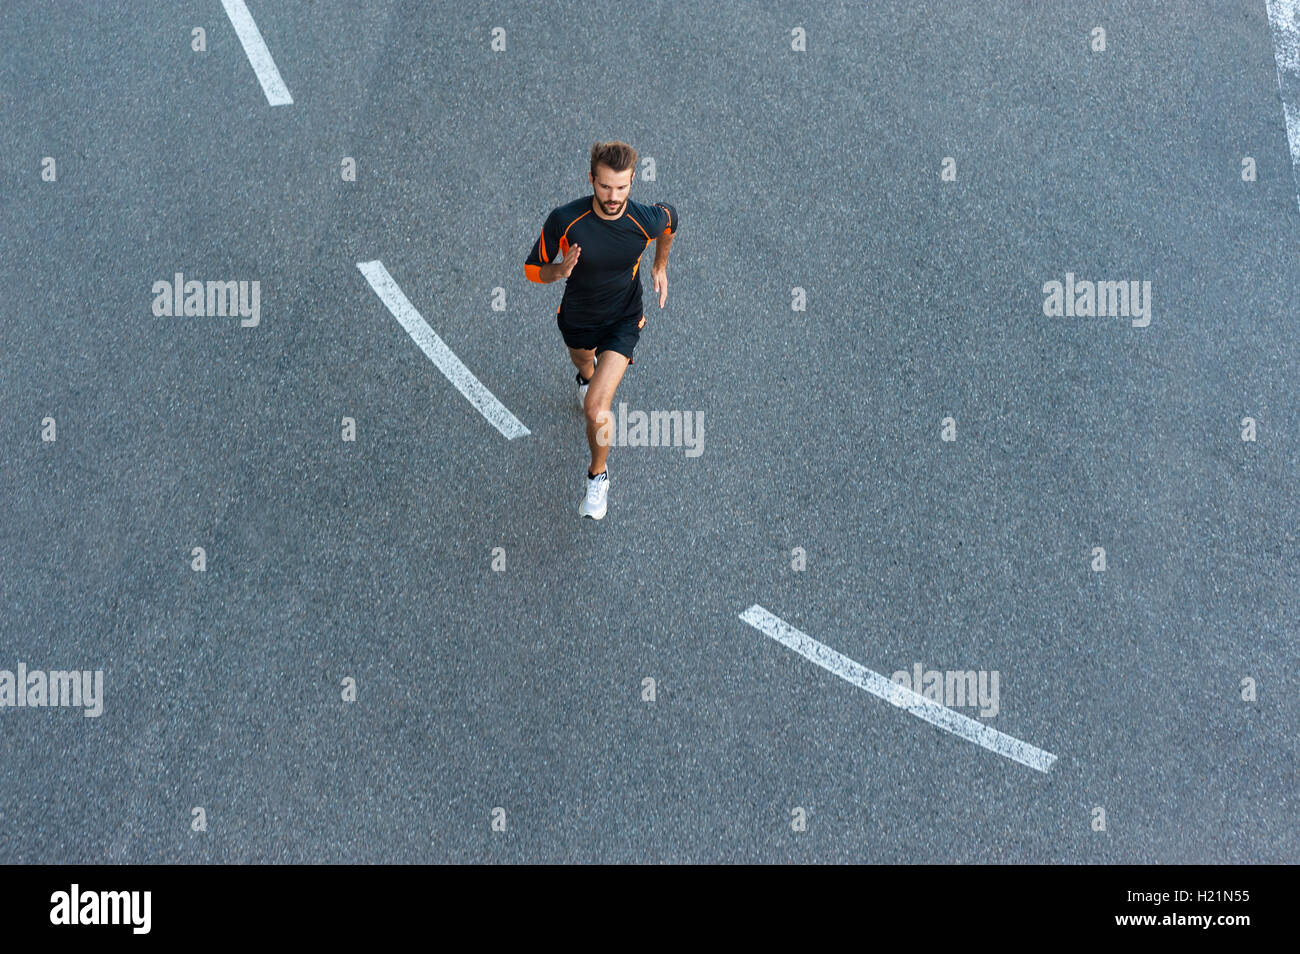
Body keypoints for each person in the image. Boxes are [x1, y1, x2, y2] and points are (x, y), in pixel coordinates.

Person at [524, 141, 679, 520]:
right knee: (584, 367)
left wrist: (660, 265)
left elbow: (671, 222)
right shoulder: (565, 220)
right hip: (577, 318)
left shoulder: (645, 219)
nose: (613, 197)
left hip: (623, 320)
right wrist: (558, 271)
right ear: (591, 179)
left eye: (622, 187)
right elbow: (532, 269)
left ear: (632, 182)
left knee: (596, 408)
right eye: (606, 186)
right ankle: (585, 377)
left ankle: (598, 477)